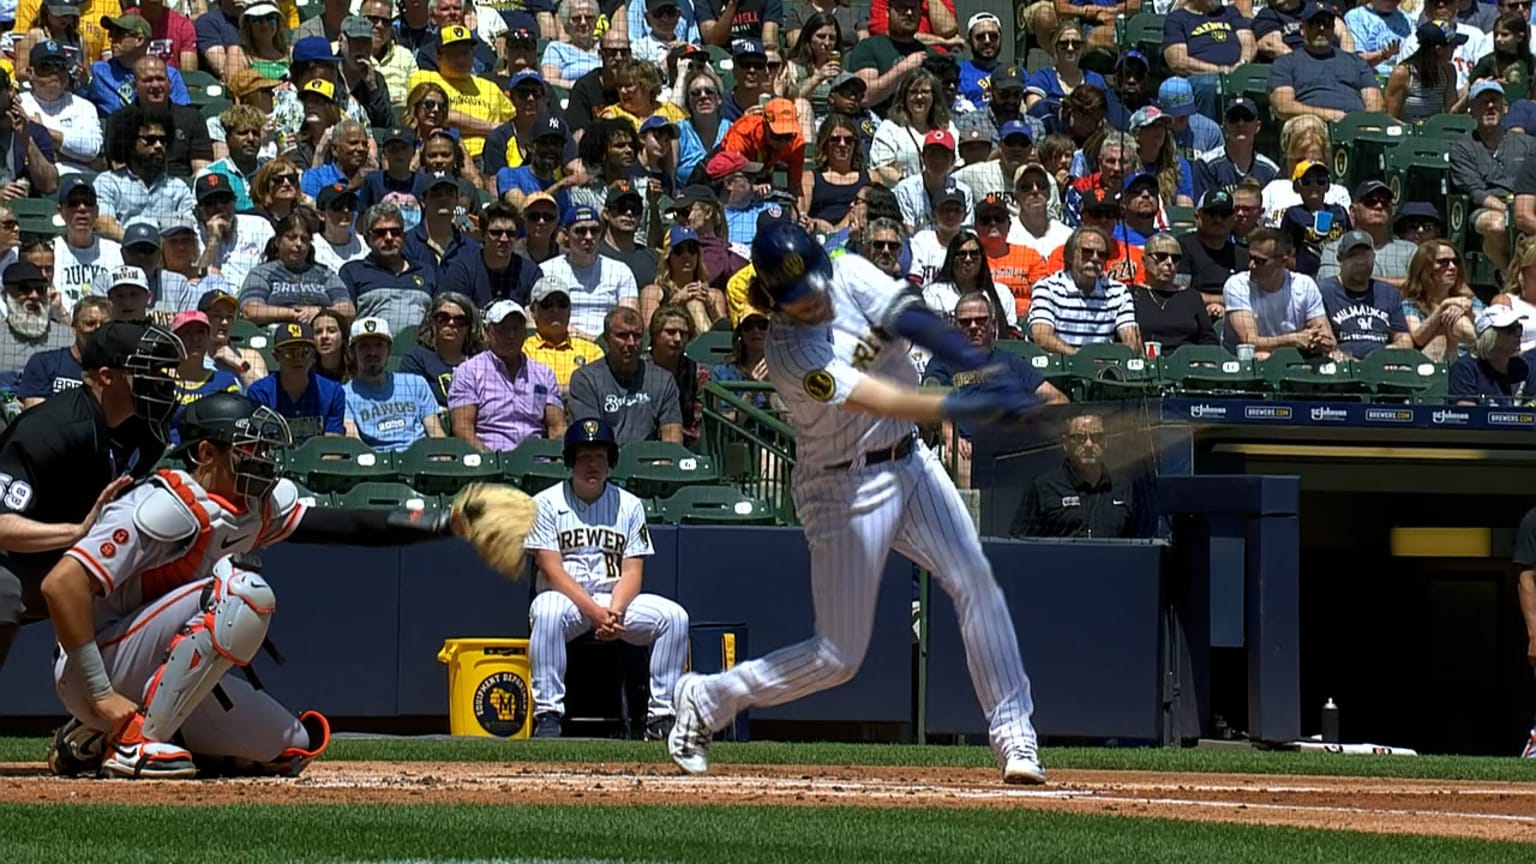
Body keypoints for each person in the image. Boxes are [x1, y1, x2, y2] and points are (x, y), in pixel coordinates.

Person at [666, 221, 1047, 785]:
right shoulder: (790, 351)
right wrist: (968, 406)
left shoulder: (847, 271)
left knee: (975, 582)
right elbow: (879, 397)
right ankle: (707, 698)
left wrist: (984, 366)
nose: (816, 301)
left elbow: (912, 319)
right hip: (840, 488)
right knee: (838, 658)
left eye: (816, 286)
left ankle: (1015, 737)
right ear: (773, 300)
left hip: (910, 464)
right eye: (800, 298)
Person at [40, 391, 470, 779]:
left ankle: (90, 741)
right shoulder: (160, 505)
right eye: (249, 448)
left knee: (286, 746)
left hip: (165, 663)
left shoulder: (255, 505)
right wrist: (99, 694)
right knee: (242, 591)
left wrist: (443, 521)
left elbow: (346, 522)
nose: (262, 458)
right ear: (207, 453)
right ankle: (131, 741)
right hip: (98, 669)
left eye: (264, 447)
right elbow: (60, 586)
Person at [0, 320, 181, 671]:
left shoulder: (146, 430)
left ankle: (126, 712)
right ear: (106, 375)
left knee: (168, 583)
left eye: (163, 372)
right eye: (147, 372)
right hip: (18, 560)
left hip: (83, 558)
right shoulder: (49, 429)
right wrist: (77, 532)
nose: (161, 383)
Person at [525, 415, 689, 739]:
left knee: (674, 617)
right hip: (568, 603)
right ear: (570, 461)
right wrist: (594, 612)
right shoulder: (544, 504)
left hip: (615, 602)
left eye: (599, 456)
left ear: (610, 460)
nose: (592, 465)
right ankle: (548, 715)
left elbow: (633, 571)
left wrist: (612, 612)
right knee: (546, 611)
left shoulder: (629, 505)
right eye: (584, 457)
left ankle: (661, 720)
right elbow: (551, 570)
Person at [923, 292, 1067, 488]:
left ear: (992, 324)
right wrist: (950, 434)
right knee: (958, 455)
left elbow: (1058, 400)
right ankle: (978, 516)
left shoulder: (1011, 362)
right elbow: (930, 403)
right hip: (967, 445)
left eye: (980, 320)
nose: (973, 326)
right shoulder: (942, 362)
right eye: (965, 322)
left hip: (1014, 444)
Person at [448, 299, 563, 452]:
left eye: (516, 329)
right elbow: (463, 429)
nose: (511, 335)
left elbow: (557, 427)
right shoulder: (469, 372)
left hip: (536, 459)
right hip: (488, 460)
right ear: (487, 332)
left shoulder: (544, 374)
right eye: (503, 329)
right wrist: (490, 460)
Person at [1009, 412, 1136, 540]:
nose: (1088, 445)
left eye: (1096, 437)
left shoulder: (1123, 487)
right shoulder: (1043, 487)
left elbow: (1137, 542)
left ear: (1105, 441)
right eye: (1079, 438)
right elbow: (1020, 541)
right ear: (1065, 443)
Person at [567, 306, 682, 445]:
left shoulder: (663, 380)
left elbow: (672, 440)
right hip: (603, 460)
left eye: (637, 336)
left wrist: (664, 464)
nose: (631, 343)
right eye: (622, 336)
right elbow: (591, 440)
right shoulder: (586, 379)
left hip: (649, 462)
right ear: (606, 339)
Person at [1455, 81, 1534, 276]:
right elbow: (1476, 192)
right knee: (1497, 224)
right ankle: (1509, 276)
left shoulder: (1527, 144)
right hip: (1485, 209)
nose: (1490, 106)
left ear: (1505, 108)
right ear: (1471, 110)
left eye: (1495, 101)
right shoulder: (1462, 147)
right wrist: (1508, 211)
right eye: (1483, 102)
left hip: (1525, 203)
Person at [1029, 227, 1142, 356]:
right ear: (1070, 256)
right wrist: (1082, 360)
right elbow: (1042, 338)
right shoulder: (1047, 288)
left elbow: (1131, 341)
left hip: (1104, 369)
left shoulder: (1118, 292)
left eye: (1101, 254)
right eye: (1087, 252)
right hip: (1062, 369)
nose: (1095, 258)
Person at [1222, 228, 1334, 358]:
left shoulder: (1305, 285)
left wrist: (1318, 340)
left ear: (1282, 262)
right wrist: (1293, 339)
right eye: (1250, 258)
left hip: (1295, 361)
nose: (1251, 265)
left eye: (1260, 261)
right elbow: (1249, 340)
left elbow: (1328, 338)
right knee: (1261, 355)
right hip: (1245, 363)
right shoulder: (1237, 285)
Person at [92, 107, 197, 244]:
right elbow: (103, 224)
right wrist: (141, 243)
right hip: (121, 254)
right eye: (150, 139)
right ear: (129, 141)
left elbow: (189, 231)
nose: (158, 145)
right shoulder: (108, 181)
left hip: (166, 259)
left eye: (163, 140)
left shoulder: (178, 188)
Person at [341, 316, 444, 451]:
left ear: (389, 349)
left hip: (420, 460)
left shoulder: (415, 384)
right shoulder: (344, 394)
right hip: (376, 465)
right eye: (364, 346)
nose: (372, 352)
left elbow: (436, 434)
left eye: (379, 345)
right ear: (353, 352)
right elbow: (354, 444)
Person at [537, 205, 640, 340]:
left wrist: (589, 338)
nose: (589, 237)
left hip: (608, 345)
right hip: (562, 341)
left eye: (594, 230)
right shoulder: (547, 270)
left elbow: (629, 319)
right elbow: (537, 317)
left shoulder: (620, 270)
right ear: (566, 234)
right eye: (580, 231)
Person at [1270, 2, 1386, 121]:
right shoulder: (1286, 62)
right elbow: (1283, 106)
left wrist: (1367, 123)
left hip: (1355, 126)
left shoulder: (1356, 62)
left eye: (1327, 24)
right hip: (1308, 121)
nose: (1322, 28)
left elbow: (1374, 100)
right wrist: (1328, 115)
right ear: (1302, 29)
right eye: (1315, 23)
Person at [238, 212, 356, 327]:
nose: (299, 244)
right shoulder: (261, 273)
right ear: (278, 242)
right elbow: (250, 311)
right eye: (292, 237)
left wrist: (319, 312)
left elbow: (348, 310)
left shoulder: (325, 274)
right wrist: (293, 314)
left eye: (304, 239)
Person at [340, 202, 436, 335]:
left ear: (404, 236)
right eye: (380, 233)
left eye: (395, 232)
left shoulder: (426, 272)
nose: (389, 238)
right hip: (373, 352)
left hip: (418, 353)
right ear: (367, 239)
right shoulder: (352, 272)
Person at [1317, 230, 1413, 359]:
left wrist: (1383, 356)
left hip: (1383, 365)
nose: (1360, 261)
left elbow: (1405, 340)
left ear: (1374, 257)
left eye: (1365, 255)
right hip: (1341, 367)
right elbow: (1323, 341)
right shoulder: (1323, 291)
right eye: (1353, 255)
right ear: (1340, 259)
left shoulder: (1388, 292)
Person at [245, 322, 347, 442]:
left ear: (313, 356)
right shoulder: (260, 393)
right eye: (289, 353)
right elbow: (260, 447)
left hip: (317, 460)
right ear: (276, 356)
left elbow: (332, 447)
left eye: (304, 352)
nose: (298, 358)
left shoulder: (333, 392)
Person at [18, 41, 100, 176]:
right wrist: (72, 153)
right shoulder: (20, 103)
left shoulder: (84, 106)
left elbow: (91, 149)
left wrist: (42, 131)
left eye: (60, 66)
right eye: (45, 66)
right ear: (30, 72)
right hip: (34, 180)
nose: (54, 72)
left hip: (82, 181)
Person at [18, 297, 110, 409]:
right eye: (90, 323)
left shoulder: (116, 372)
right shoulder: (43, 364)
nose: (98, 329)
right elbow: (34, 418)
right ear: (74, 327)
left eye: (105, 325)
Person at [166, 311, 242, 446]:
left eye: (201, 332)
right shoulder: (159, 379)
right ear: (174, 340)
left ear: (208, 338)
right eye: (187, 333)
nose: (195, 338)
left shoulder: (225, 382)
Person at [1134, 234, 1218, 351]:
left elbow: (1208, 338)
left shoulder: (1191, 297)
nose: (1169, 263)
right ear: (1144, 261)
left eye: (1175, 258)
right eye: (1161, 256)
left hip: (1187, 363)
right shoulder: (1133, 295)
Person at [52, 178, 122, 318]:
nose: (82, 208)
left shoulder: (115, 252)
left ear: (96, 211)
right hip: (61, 327)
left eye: (88, 202)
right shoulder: (52, 251)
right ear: (61, 212)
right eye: (73, 203)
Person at [399, 292, 483, 408]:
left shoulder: (480, 362)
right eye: (443, 318)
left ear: (470, 327)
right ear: (432, 322)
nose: (451, 323)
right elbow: (411, 403)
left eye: (460, 320)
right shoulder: (416, 359)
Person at [1402, 239, 1481, 361]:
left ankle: (1477, 347)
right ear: (1425, 269)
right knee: (1445, 328)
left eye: (1455, 261)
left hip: (1469, 361)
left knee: (1458, 318)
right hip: (1433, 362)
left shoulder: (1470, 300)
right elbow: (1418, 337)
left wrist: (1469, 314)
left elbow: (1489, 327)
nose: (1452, 267)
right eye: (1443, 262)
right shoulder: (1411, 304)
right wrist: (1444, 307)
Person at [524, 276, 604, 393]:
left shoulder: (591, 351)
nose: (555, 310)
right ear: (532, 311)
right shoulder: (523, 350)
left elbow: (600, 389)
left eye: (562, 304)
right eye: (547, 304)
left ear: (570, 309)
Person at [0, 262, 73, 388]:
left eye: (40, 289)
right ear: (5, 295)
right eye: (24, 288)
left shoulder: (67, 338)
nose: (34, 295)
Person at [1178, 189, 1249, 317]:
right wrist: (1223, 301)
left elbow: (1251, 294)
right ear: (1198, 216)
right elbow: (1180, 291)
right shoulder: (1183, 246)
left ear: (1233, 218)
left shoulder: (1242, 254)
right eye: (1212, 213)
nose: (1218, 219)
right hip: (1191, 315)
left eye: (1224, 213)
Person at [1448, 306, 1536, 403]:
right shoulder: (1466, 369)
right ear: (1490, 336)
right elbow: (1467, 414)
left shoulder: (1524, 367)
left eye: (1519, 327)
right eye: (1510, 329)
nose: (1519, 333)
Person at [1384, 19, 1459, 122]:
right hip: (1407, 134)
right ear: (1439, 50)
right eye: (1453, 47)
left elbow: (1451, 112)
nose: (1455, 50)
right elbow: (1390, 118)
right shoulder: (1403, 74)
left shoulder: (1448, 71)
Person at [311, 309, 348, 383]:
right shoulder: (307, 376)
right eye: (318, 332)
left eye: (331, 331)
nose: (324, 336)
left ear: (343, 336)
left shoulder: (357, 372)